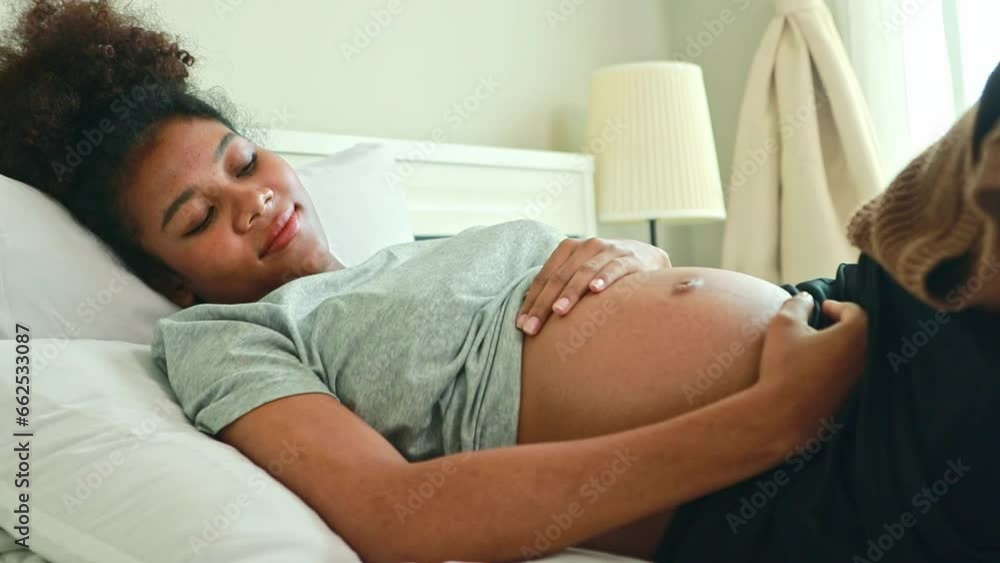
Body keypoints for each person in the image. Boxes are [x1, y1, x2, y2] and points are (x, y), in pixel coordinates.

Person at [4, 2, 965, 562]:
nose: (247, 201)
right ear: (169, 282)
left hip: (841, 317)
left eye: (243, 162)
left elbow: (596, 314)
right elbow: (394, 517)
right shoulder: (224, 338)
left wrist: (643, 256)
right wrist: (772, 418)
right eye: (198, 217)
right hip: (806, 464)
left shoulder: (415, 253)